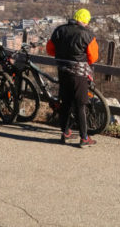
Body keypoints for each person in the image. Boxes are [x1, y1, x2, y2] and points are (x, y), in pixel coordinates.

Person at [46, 8, 99, 148]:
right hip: (78, 74)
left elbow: (49, 50)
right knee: (80, 105)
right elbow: (93, 57)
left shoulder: (59, 30)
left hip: (63, 71)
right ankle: (84, 138)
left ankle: (65, 133)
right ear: (85, 21)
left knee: (66, 103)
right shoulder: (87, 34)